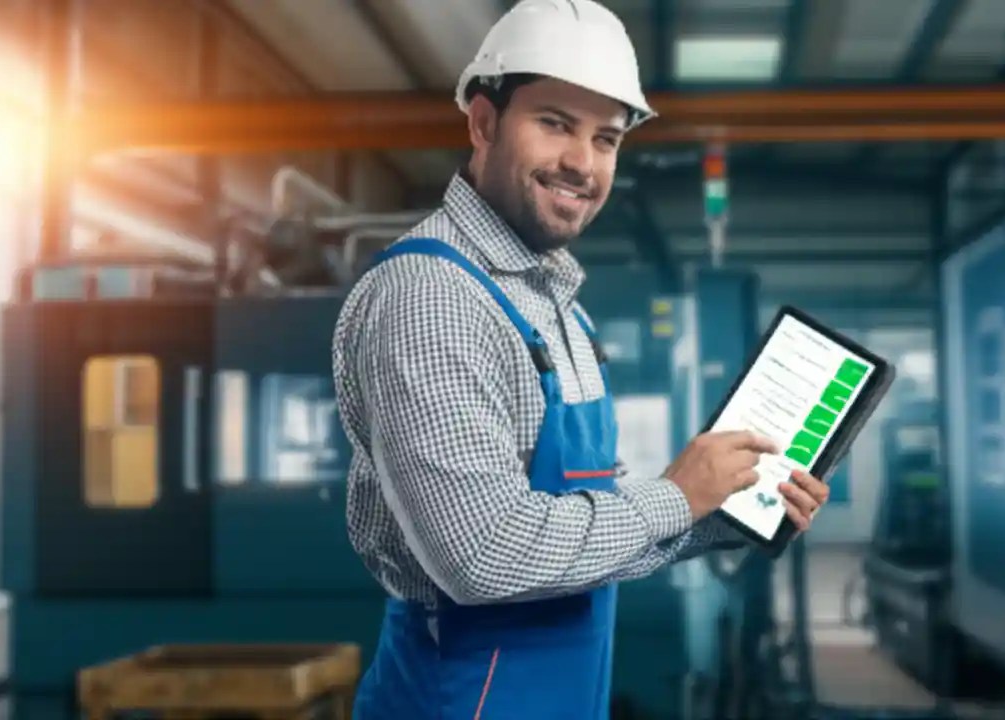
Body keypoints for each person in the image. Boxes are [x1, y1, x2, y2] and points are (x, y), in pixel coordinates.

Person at [331, 1, 832, 717]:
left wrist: (722, 515)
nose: (582, 163)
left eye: (606, 138)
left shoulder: (559, 304)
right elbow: (482, 554)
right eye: (555, 123)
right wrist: (675, 496)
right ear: (483, 122)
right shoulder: (432, 297)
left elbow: (579, 542)